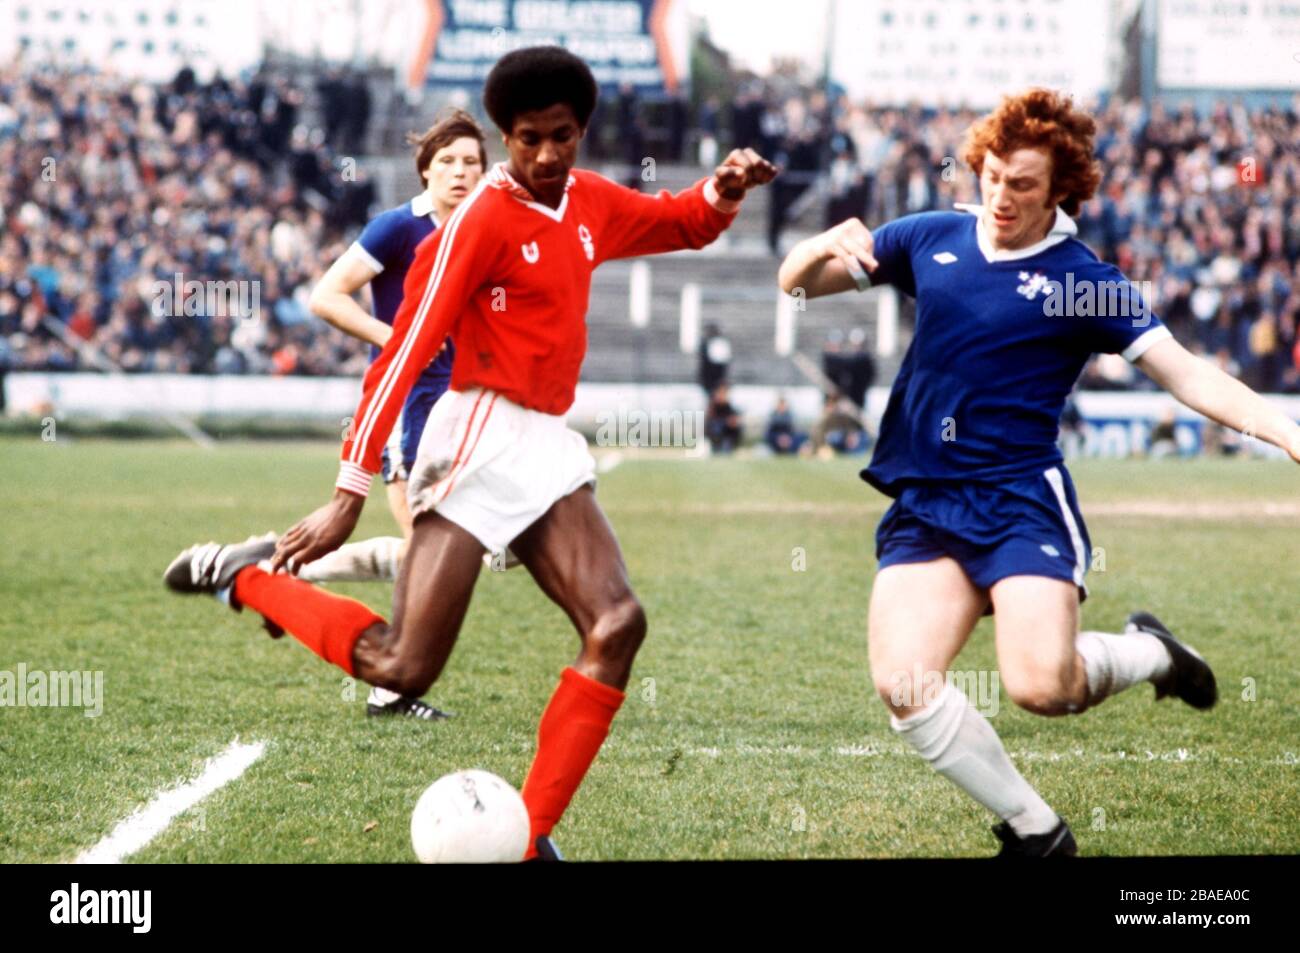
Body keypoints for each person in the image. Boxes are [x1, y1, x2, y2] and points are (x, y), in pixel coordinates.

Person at [164, 46, 777, 861]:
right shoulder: (477, 221)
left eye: (562, 136)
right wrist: (349, 488)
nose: (548, 155)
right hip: (475, 440)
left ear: (582, 130)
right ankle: (252, 579)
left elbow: (677, 221)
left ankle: (529, 840)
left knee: (618, 622)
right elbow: (406, 348)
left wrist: (722, 190)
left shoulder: (587, 200)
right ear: (505, 136)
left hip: (545, 444)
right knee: (403, 666)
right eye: (529, 139)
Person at [778, 88, 1300, 857]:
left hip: (1020, 500)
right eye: (990, 175)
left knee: (1042, 688)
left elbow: (1188, 375)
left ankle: (1151, 652)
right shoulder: (931, 237)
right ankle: (1037, 831)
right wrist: (819, 244)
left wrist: (1283, 427)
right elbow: (794, 286)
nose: (1000, 196)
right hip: (926, 501)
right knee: (905, 683)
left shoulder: (1085, 279)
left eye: (1022, 185)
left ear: (1060, 190)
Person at [294, 109, 488, 720]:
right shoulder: (397, 227)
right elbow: (325, 295)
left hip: (469, 408)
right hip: (409, 406)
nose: (460, 173)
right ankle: (390, 688)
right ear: (425, 169)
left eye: (471, 163)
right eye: (448, 162)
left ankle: (289, 562)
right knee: (426, 550)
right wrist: (397, 339)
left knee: (445, 551)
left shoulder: (489, 229)